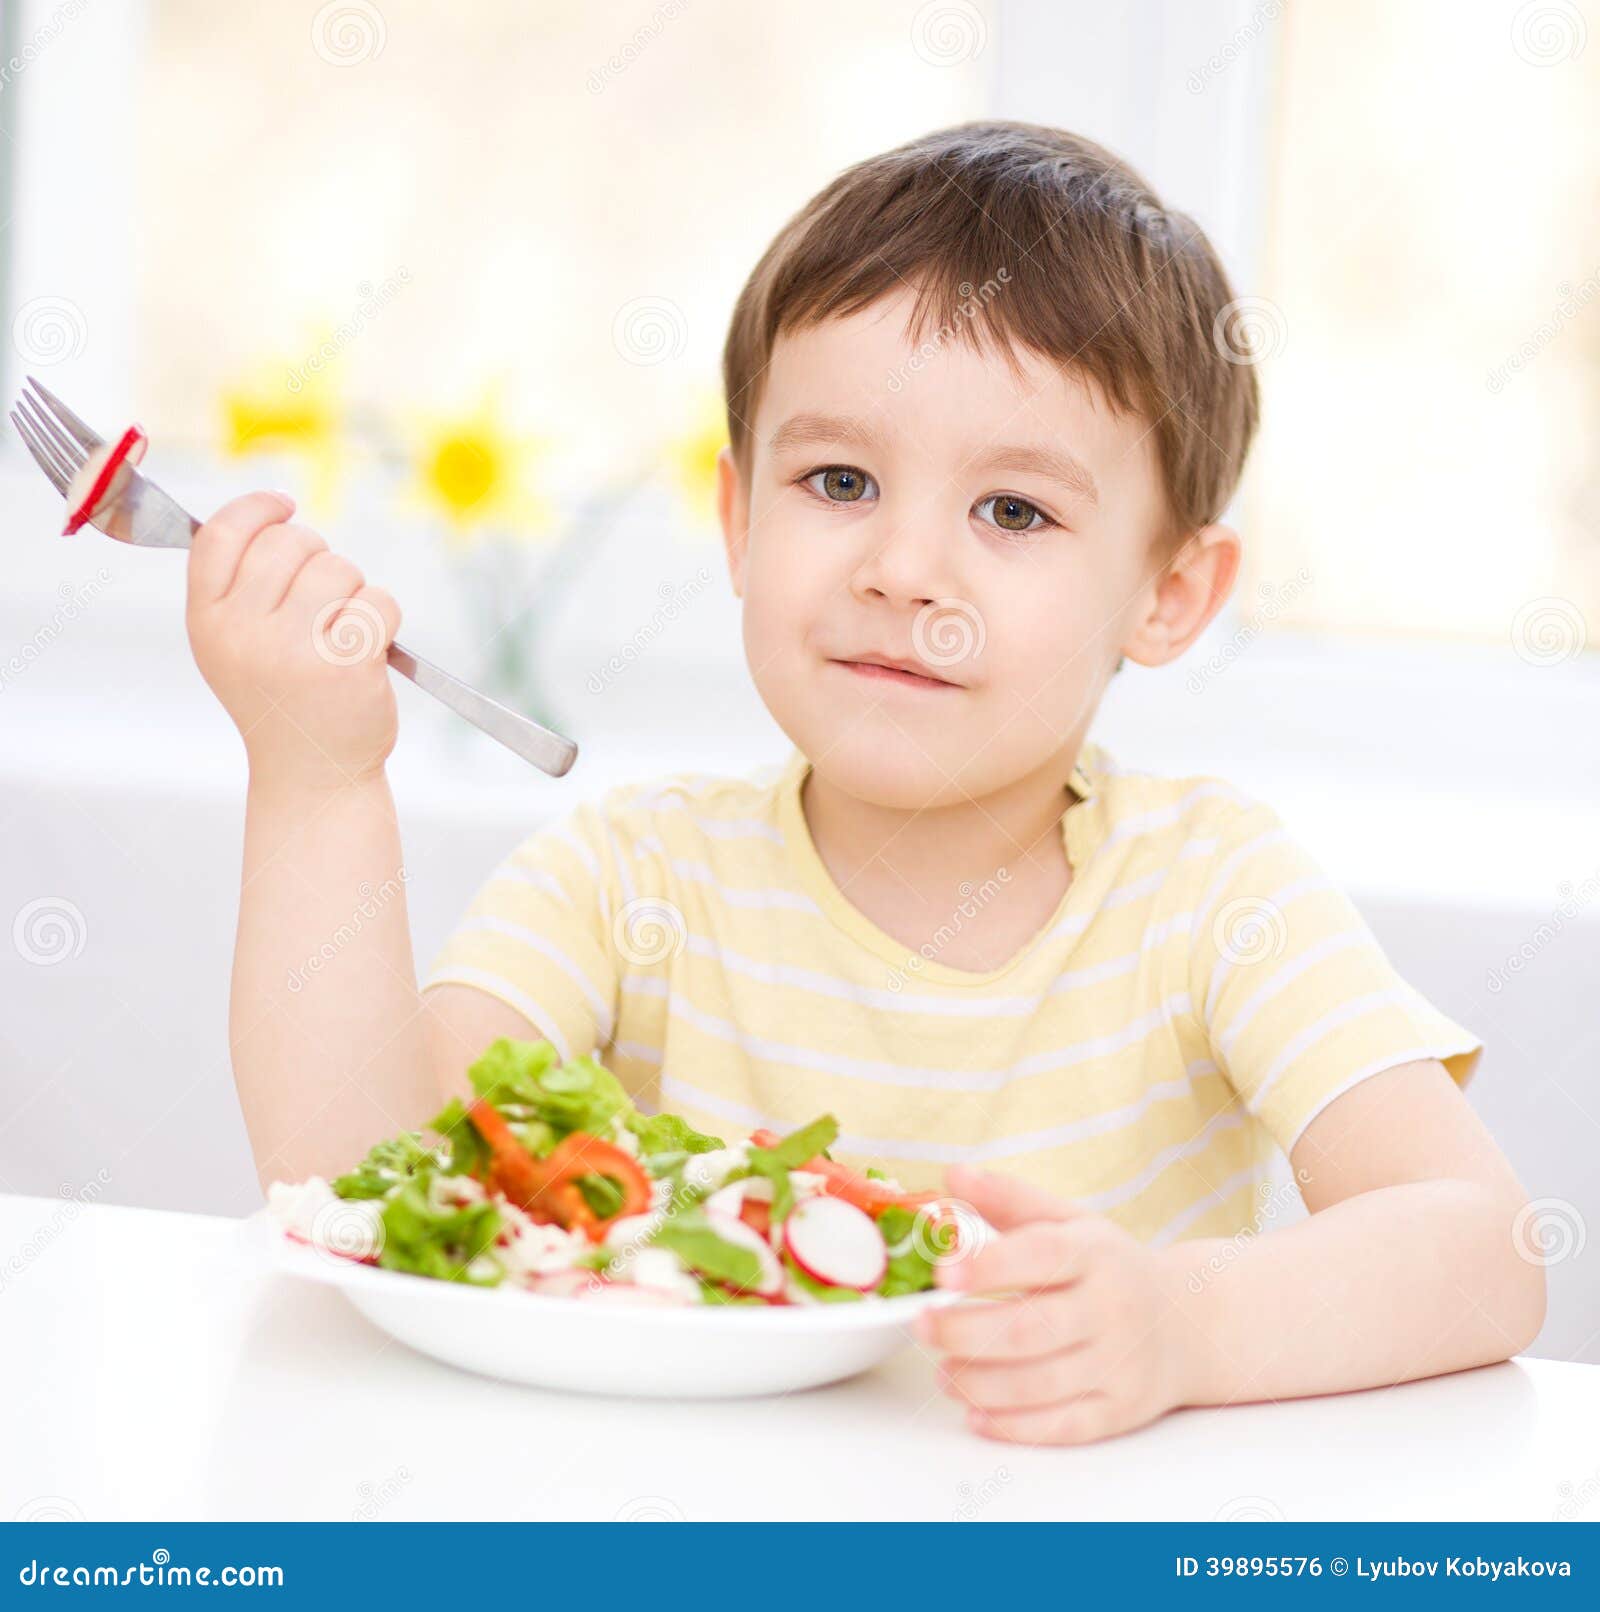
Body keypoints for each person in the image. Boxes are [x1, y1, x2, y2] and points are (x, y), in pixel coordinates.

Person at [188, 121, 1543, 1443]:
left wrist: (1184, 1328)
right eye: (839, 480)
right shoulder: (630, 879)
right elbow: (366, 1189)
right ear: (738, 520)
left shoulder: (1212, 894)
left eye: (1013, 512)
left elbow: (1487, 1252)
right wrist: (317, 781)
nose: (904, 570)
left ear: (1169, 593)